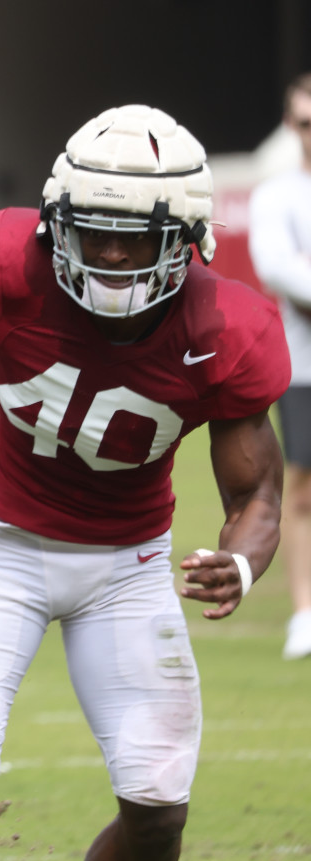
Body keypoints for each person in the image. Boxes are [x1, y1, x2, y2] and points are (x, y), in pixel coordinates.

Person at [0, 104, 290, 861]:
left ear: (188, 238)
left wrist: (239, 561)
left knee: (159, 808)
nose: (106, 252)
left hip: (129, 566)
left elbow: (258, 496)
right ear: (52, 221)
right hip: (7, 540)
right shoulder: (10, 263)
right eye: (89, 227)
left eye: (131, 235)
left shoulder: (228, 328)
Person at [248, 72, 311, 660]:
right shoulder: (277, 195)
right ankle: (304, 611)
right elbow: (279, 270)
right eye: (304, 122)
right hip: (305, 368)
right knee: (301, 486)